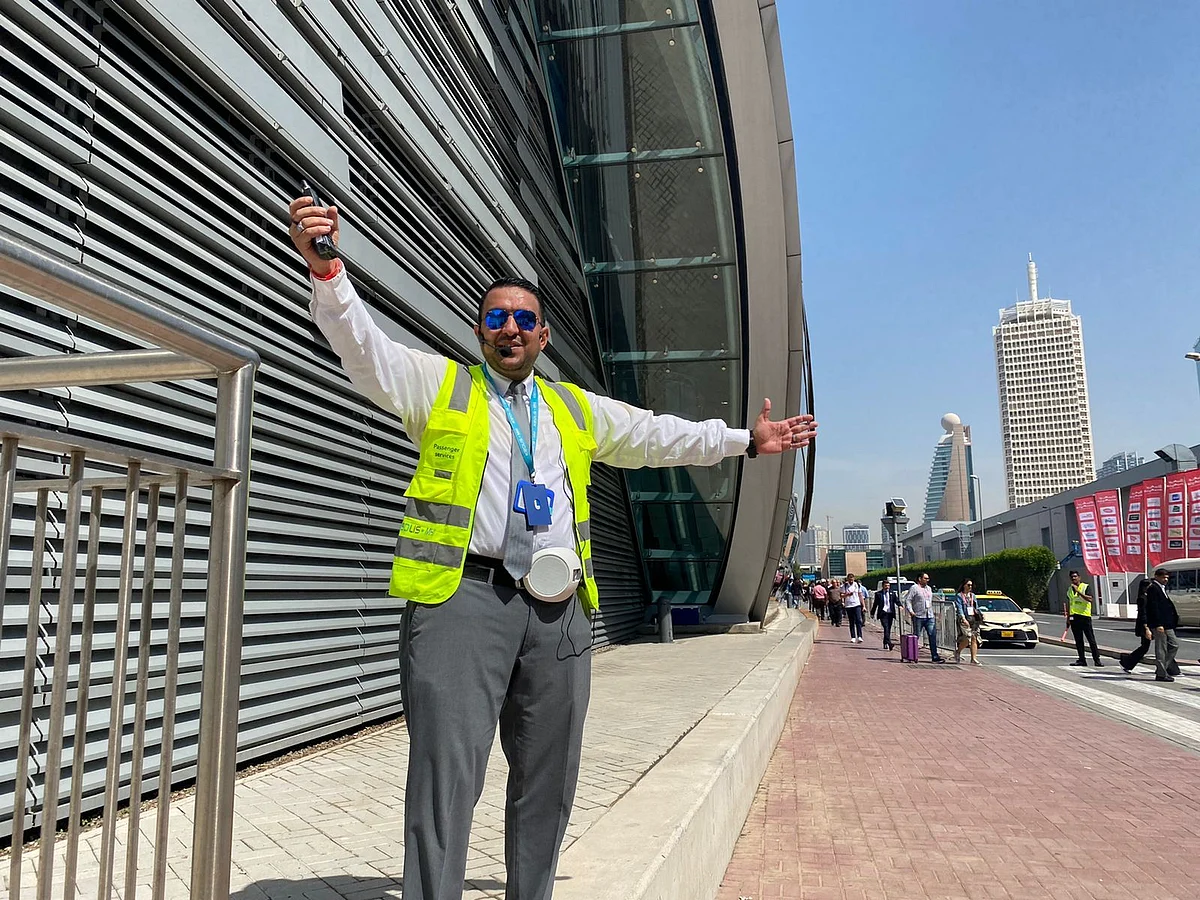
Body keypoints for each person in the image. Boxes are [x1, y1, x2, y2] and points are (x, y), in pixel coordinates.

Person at [288, 195, 818, 900]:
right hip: (459, 602)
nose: (510, 328)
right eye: (496, 318)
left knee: (550, 779)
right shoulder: (439, 386)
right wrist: (327, 271)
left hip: (557, 611)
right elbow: (364, 350)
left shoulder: (574, 408)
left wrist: (745, 441)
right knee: (446, 776)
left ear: (543, 336)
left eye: (524, 319)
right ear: (481, 332)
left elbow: (660, 434)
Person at [1145, 568, 1180, 683]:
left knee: (1174, 645)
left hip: (1167, 624)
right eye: (1163, 577)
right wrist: (1158, 624)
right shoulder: (1153, 589)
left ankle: (1162, 669)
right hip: (1160, 624)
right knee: (1161, 649)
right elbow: (1154, 608)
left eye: (1167, 578)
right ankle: (1161, 674)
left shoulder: (1162, 588)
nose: (1165, 580)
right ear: (1157, 577)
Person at [904, 572, 945, 663]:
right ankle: (912, 655)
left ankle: (935, 656)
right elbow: (908, 600)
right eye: (925, 578)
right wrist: (911, 611)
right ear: (920, 579)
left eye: (928, 579)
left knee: (932, 635)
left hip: (929, 616)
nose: (927, 580)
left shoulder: (929, 588)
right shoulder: (914, 588)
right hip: (918, 615)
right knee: (916, 636)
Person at [1066, 570, 1103, 667]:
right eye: (1072, 577)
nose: (1074, 578)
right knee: (1078, 640)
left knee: (1091, 639)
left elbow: (1090, 599)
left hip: (1085, 616)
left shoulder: (1085, 587)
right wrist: (1068, 618)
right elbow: (1071, 603)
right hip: (1074, 617)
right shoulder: (1070, 589)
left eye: (1075, 576)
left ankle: (1097, 660)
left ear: (1079, 577)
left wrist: (1078, 591)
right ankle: (1082, 659)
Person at [952, 579, 982, 665]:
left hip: (973, 619)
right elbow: (960, 608)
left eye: (971, 585)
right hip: (964, 619)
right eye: (968, 585)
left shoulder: (973, 596)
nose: (970, 587)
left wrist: (980, 614)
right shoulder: (959, 596)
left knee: (974, 638)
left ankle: (973, 658)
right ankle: (958, 651)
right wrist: (963, 618)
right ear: (964, 585)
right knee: (966, 638)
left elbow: (976, 607)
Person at [871, 581, 899, 650]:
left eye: (888, 586)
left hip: (890, 613)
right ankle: (889, 643)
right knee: (886, 627)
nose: (887, 587)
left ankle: (885, 642)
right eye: (886, 586)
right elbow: (875, 604)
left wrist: (900, 605)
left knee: (888, 629)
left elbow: (896, 600)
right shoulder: (878, 594)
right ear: (883, 586)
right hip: (883, 613)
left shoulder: (892, 593)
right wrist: (872, 613)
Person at [841, 574, 868, 643]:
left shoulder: (857, 585)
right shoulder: (844, 586)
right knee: (851, 621)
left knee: (858, 620)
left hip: (857, 604)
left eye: (852, 579)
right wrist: (847, 595)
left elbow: (860, 595)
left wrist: (863, 606)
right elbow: (842, 595)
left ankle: (860, 636)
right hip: (849, 605)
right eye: (849, 579)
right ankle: (853, 636)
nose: (851, 580)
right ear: (847, 579)